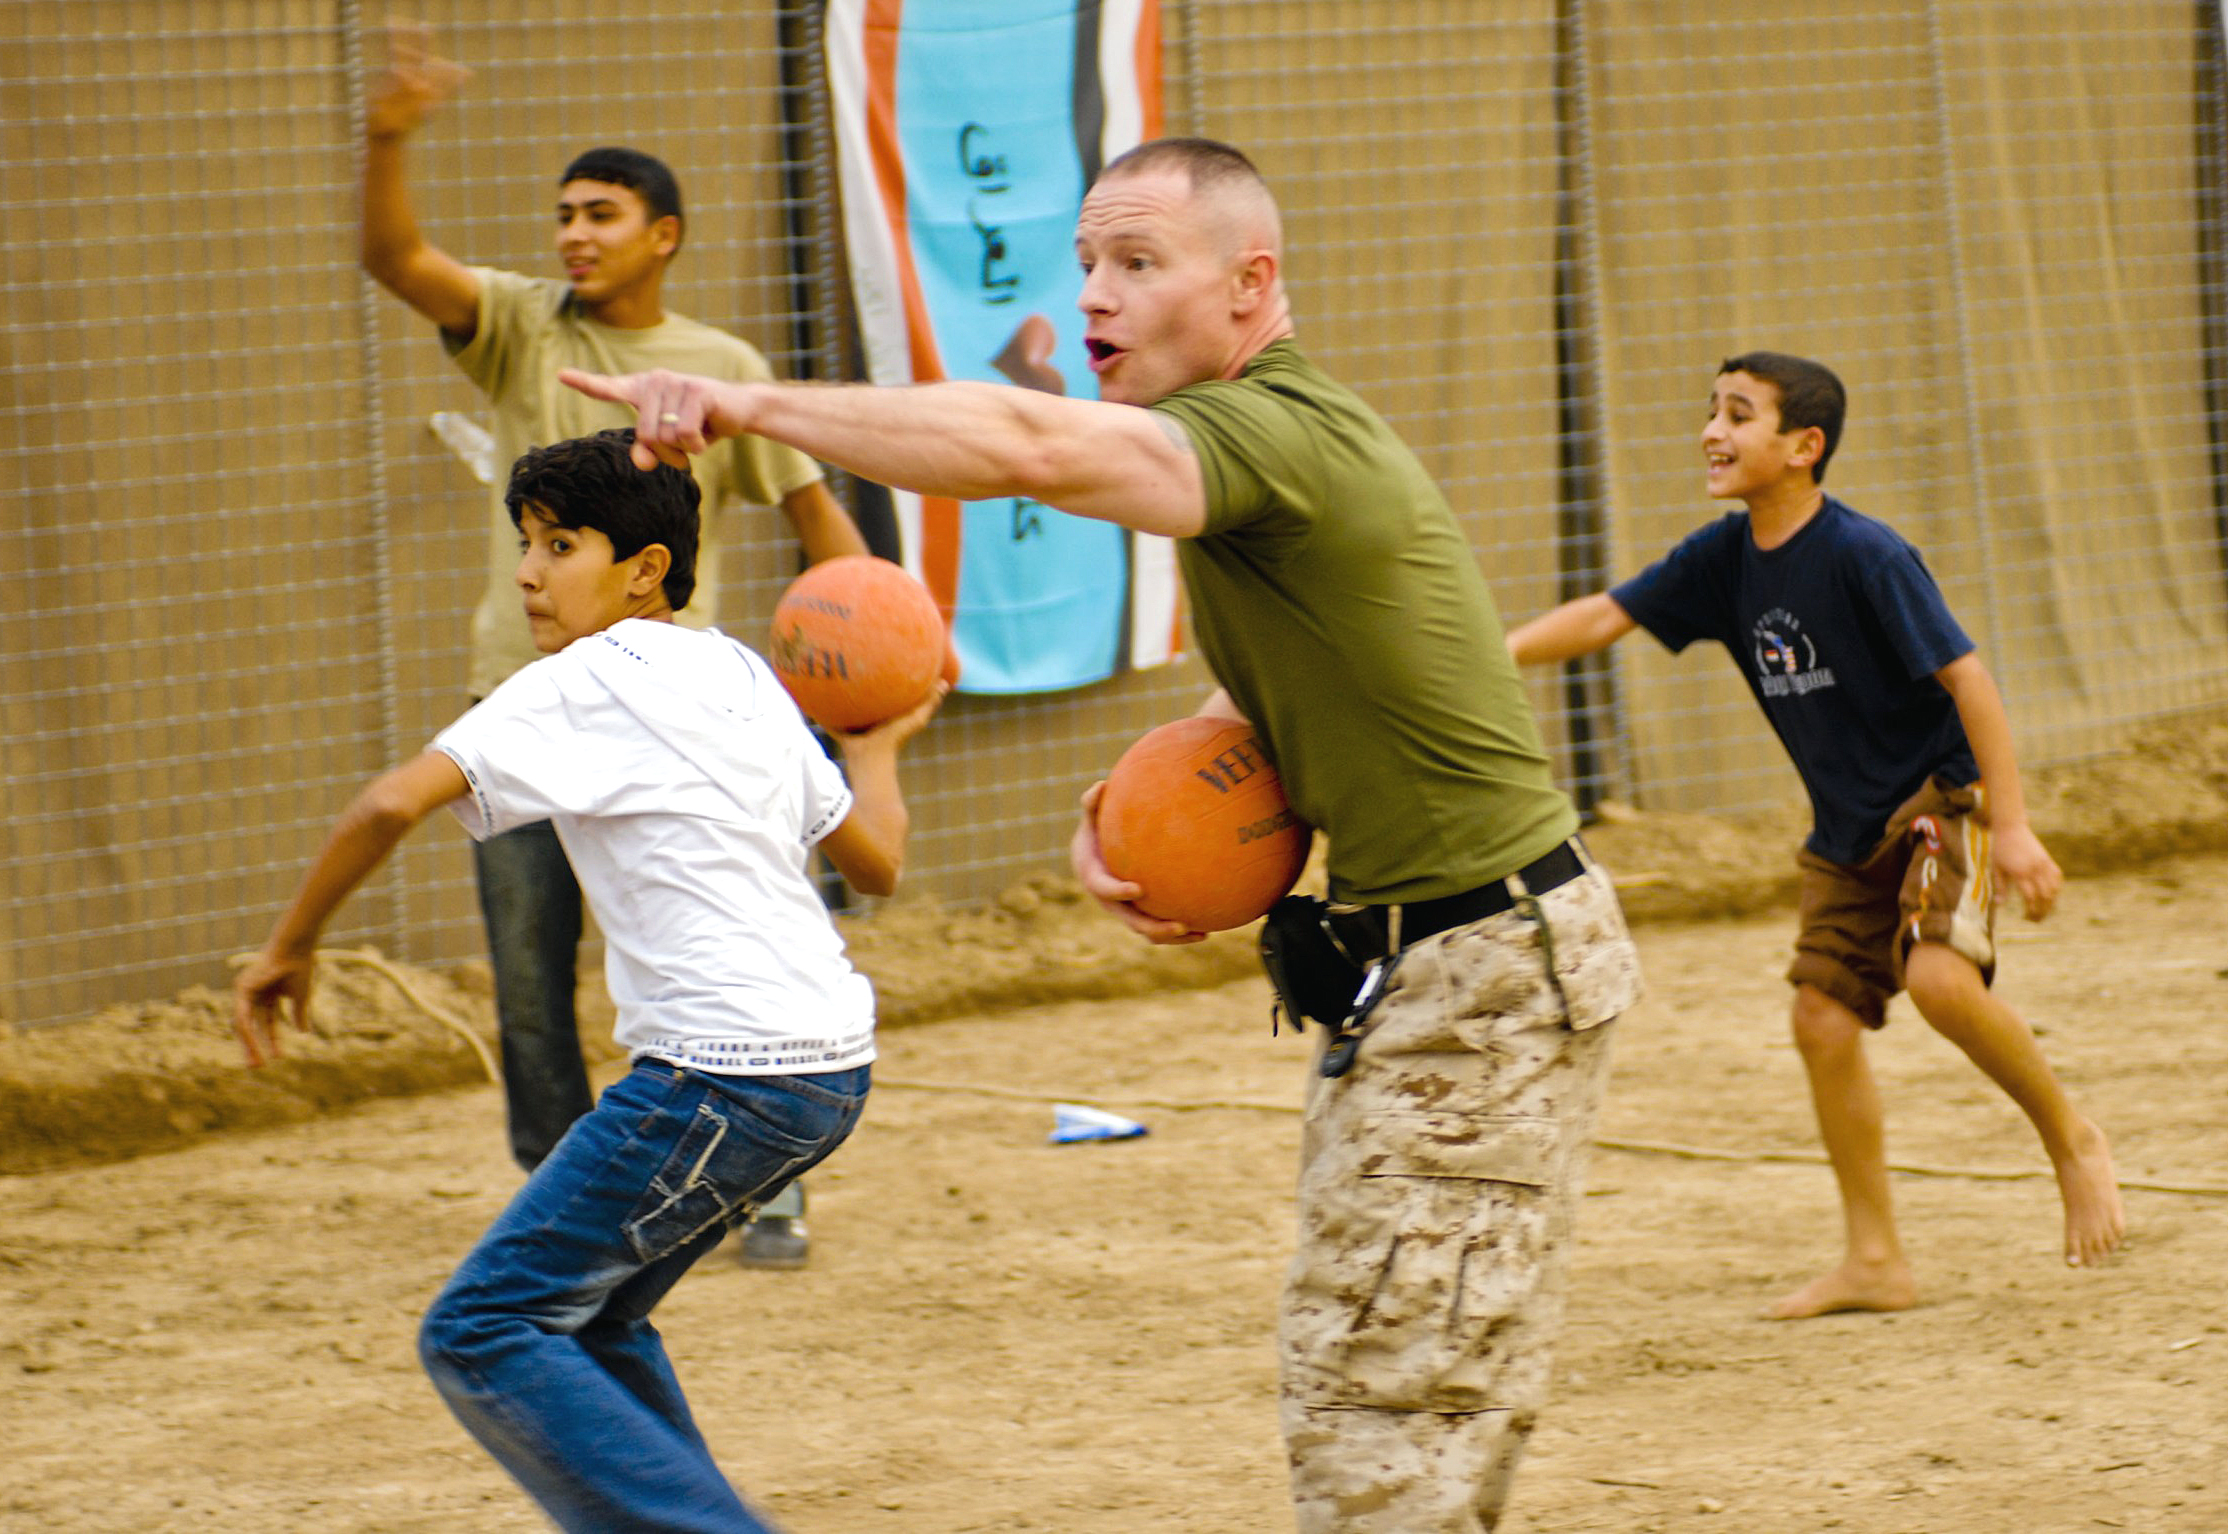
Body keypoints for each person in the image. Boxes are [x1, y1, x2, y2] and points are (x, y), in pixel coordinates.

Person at [561, 136, 1644, 1534]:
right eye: (1085, 264)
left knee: (1384, 1408)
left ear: (1252, 285)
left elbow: (1024, 443)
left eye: (1137, 263)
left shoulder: (1270, 431)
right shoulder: (1272, 452)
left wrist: (741, 405)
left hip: (1483, 974)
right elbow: (1292, 682)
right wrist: (1144, 812)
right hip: (1444, 965)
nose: (1095, 296)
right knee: (1397, 1384)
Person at [234, 429, 942, 1533]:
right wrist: (880, 742)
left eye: (559, 544)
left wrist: (288, 947)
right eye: (526, 542)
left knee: (482, 1327)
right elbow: (879, 864)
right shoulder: (742, 672)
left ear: (644, 569)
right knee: (593, 1322)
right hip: (827, 1066)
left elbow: (385, 804)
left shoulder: (575, 682)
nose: (528, 571)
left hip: (720, 1078)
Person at [361, 23, 867, 1266]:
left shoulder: (722, 370)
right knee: (530, 978)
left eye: (602, 211)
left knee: (731, 936)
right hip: (524, 701)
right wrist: (389, 133)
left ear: (665, 235)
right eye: (562, 214)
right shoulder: (526, 330)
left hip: (682, 722)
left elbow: (820, 523)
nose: (574, 233)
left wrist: (888, 637)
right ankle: (561, 1186)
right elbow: (394, 257)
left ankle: (767, 1182)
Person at [1507, 351, 2126, 1318]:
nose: (1712, 431)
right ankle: (1875, 1261)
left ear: (1804, 447)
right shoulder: (1720, 558)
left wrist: (2012, 828)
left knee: (1936, 978)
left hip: (1937, 802)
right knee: (1820, 1021)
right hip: (1845, 832)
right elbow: (1603, 615)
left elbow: (1970, 681)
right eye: (1709, 410)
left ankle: (2070, 1137)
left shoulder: (1864, 554)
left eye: (1738, 415)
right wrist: (1482, 659)